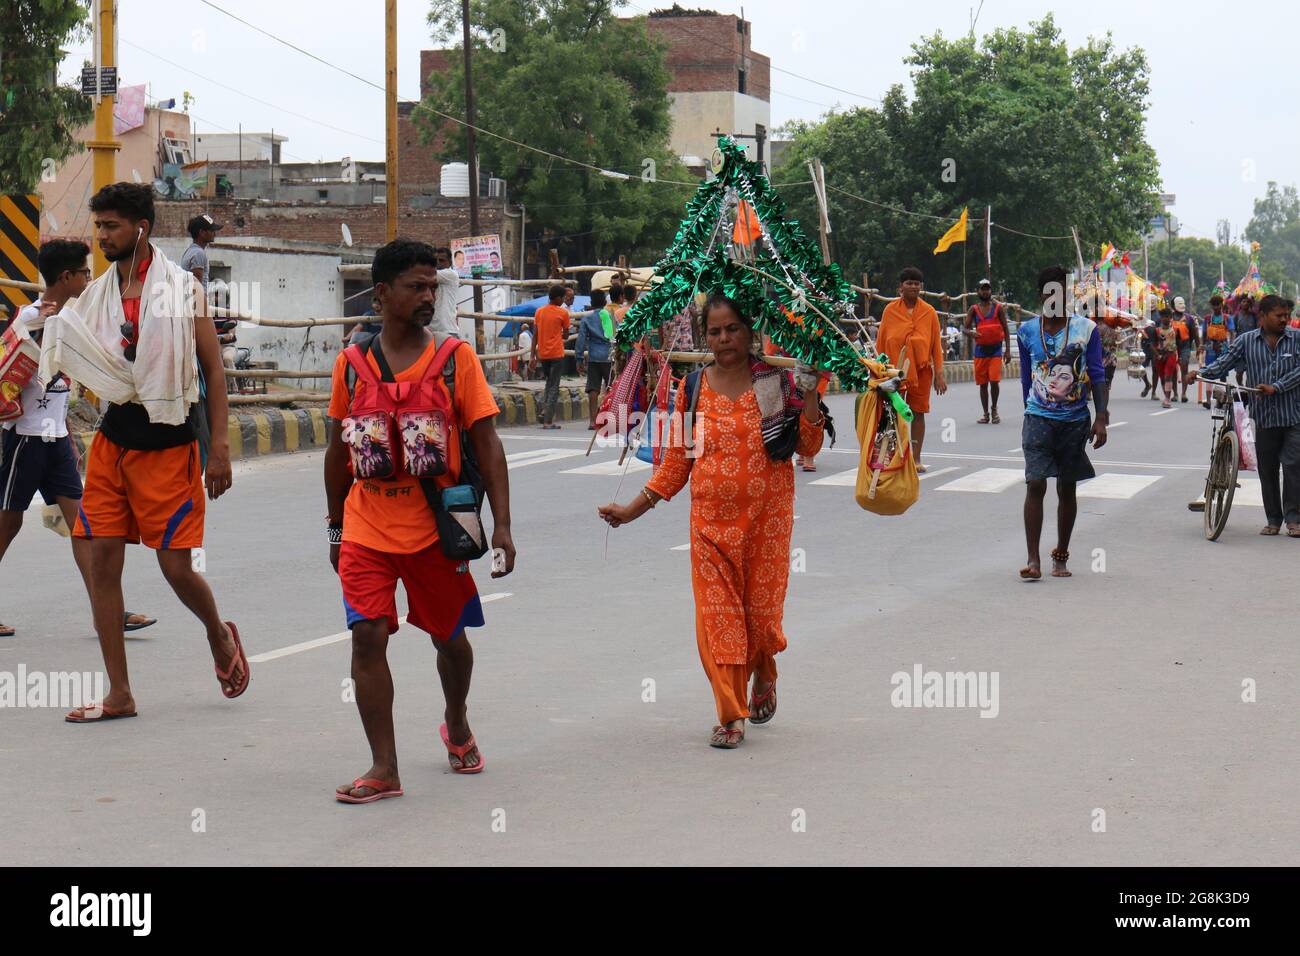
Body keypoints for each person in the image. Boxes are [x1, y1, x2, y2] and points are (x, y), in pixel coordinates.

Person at [39, 183, 243, 721]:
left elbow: (212, 369)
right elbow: (79, 344)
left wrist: (219, 448)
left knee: (176, 568)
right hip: (114, 443)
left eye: (111, 226)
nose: (101, 236)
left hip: (172, 446)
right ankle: (120, 692)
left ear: (141, 228)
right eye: (99, 225)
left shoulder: (182, 290)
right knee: (101, 561)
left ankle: (219, 636)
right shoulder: (98, 293)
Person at [325, 238, 515, 804]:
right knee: (366, 636)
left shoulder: (456, 361)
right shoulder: (351, 365)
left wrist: (501, 525)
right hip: (366, 526)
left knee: (449, 638)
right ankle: (384, 767)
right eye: (416, 286)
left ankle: (456, 721)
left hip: (439, 530)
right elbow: (338, 455)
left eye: (432, 286)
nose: (428, 295)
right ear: (382, 294)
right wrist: (335, 530)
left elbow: (488, 443)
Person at [598, 295, 827, 748]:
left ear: (750, 331)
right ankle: (731, 714)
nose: (724, 339)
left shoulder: (774, 383)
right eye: (716, 331)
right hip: (710, 527)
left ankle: (764, 671)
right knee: (719, 620)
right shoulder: (693, 388)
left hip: (768, 526)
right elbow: (675, 463)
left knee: (760, 623)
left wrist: (811, 391)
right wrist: (632, 509)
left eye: (733, 329)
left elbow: (808, 447)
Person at [0, 240, 154, 639]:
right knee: (7, 525)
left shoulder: (73, 319)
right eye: (84, 272)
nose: (88, 278)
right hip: (24, 441)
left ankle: (110, 612)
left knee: (83, 527)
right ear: (66, 277)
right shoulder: (31, 318)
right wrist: (42, 329)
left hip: (56, 441)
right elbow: (20, 356)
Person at [1016, 265, 1108, 580]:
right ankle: (1033, 560)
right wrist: (1028, 411)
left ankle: (1061, 554)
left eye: (1062, 291)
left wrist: (1102, 418)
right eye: (1049, 291)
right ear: (1042, 295)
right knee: (1036, 483)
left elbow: (1096, 374)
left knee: (1066, 488)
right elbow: (1027, 378)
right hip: (1038, 419)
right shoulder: (1027, 331)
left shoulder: (1087, 329)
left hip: (1074, 420)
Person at [1191, 294, 1300, 536]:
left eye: (1287, 316)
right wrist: (1201, 373)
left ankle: (1294, 519)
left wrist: (1277, 387)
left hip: (1294, 415)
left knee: (1293, 466)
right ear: (1263, 317)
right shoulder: (1246, 341)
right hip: (1263, 417)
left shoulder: (1296, 338)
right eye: (1279, 316)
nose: (1285, 320)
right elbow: (1225, 362)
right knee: (1267, 469)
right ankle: (1273, 519)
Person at [876, 267, 946, 471]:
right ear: (901, 287)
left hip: (921, 371)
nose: (913, 287)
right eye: (909, 283)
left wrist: (939, 373)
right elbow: (881, 341)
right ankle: (894, 455)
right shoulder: (890, 310)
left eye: (917, 283)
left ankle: (916, 459)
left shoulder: (929, 312)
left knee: (918, 413)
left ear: (921, 287)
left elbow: (935, 345)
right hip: (894, 372)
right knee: (892, 413)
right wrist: (879, 371)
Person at [963, 278, 1011, 424]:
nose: (985, 291)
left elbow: (1006, 328)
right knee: (983, 384)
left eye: (988, 289)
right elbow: (965, 328)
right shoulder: (974, 309)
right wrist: (971, 333)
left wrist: (1007, 350)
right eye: (983, 289)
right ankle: (986, 413)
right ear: (978, 291)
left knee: (994, 381)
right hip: (981, 351)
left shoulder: (998, 308)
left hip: (996, 350)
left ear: (991, 291)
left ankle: (994, 409)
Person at [529, 284, 570, 430]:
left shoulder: (539, 312)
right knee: (554, 387)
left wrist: (532, 356)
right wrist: (562, 333)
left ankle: (545, 410)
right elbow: (566, 334)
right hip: (557, 354)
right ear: (558, 298)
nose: (564, 300)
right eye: (563, 298)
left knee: (548, 383)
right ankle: (547, 420)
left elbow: (535, 335)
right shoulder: (563, 313)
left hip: (543, 354)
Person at [575, 289, 614, 429]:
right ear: (604, 302)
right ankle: (609, 419)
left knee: (593, 388)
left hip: (594, 357)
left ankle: (592, 421)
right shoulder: (610, 317)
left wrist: (579, 358)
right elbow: (616, 335)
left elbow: (580, 340)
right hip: (610, 356)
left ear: (591, 303)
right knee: (611, 388)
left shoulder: (587, 319)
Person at [180, 214, 221, 290]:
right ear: (202, 232)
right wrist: (202, 301)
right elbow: (197, 288)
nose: (214, 234)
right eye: (211, 230)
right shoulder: (199, 253)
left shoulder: (190, 251)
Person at [1172, 296, 1200, 402]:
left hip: (1185, 346)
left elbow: (1195, 335)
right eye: (1179, 303)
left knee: (1184, 368)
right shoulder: (1170, 318)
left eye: (1182, 303)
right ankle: (1175, 393)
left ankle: (1183, 393)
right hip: (1172, 347)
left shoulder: (1189, 319)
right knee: (1173, 370)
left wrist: (1198, 348)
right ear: (1173, 306)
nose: (1181, 305)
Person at [1152, 306, 1180, 408]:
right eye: (1163, 317)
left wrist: (1179, 357)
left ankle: (1168, 399)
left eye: (1167, 316)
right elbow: (1152, 344)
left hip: (1171, 355)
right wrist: (1157, 355)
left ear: (1171, 317)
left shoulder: (1175, 330)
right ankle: (1166, 397)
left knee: (1168, 376)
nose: (1165, 319)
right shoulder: (1157, 331)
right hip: (1160, 357)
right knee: (1163, 378)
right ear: (1161, 317)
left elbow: (1179, 344)